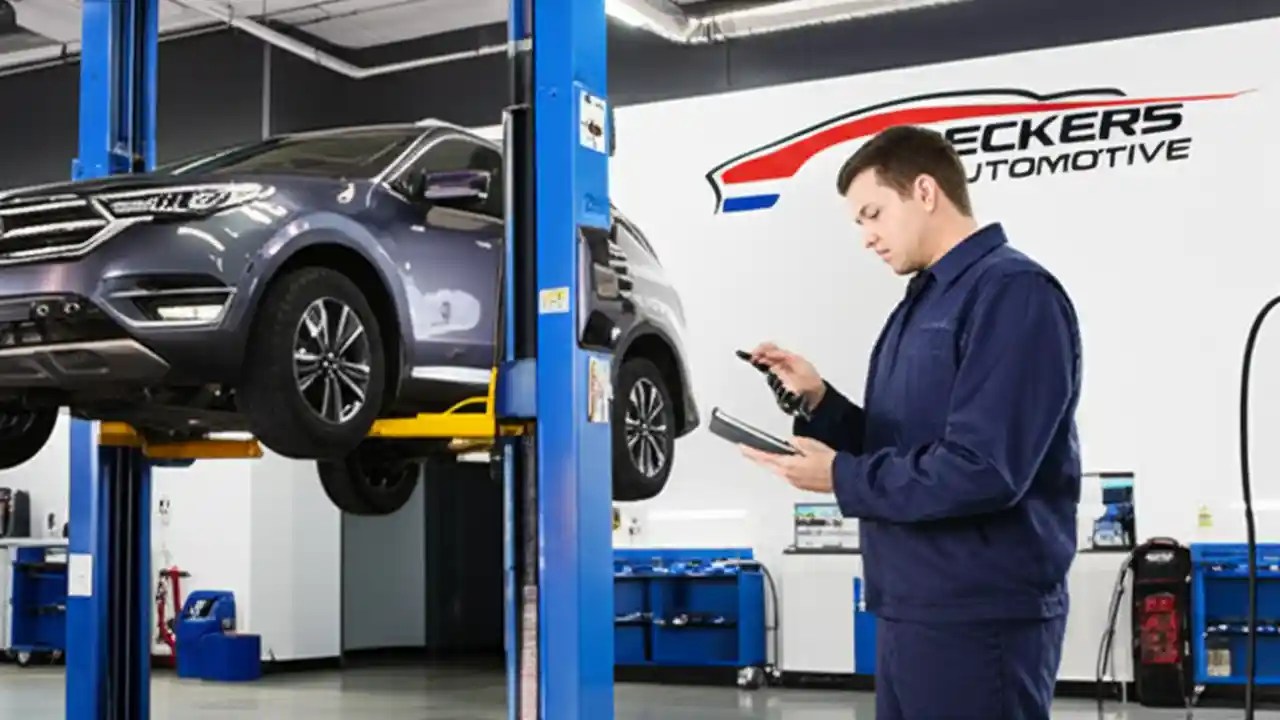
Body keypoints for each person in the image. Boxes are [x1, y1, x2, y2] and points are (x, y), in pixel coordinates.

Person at [742, 124, 1082, 720]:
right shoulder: (925, 302)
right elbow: (902, 445)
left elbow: (984, 469)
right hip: (910, 607)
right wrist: (822, 402)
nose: (867, 237)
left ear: (925, 191)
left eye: (872, 214)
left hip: (977, 619)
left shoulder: (1013, 294)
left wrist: (842, 479)